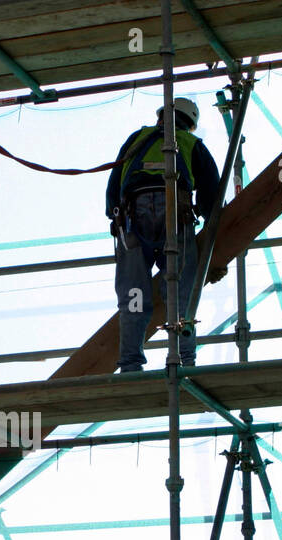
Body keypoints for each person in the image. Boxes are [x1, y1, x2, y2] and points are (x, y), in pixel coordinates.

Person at [106, 96, 224, 373]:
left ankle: (131, 365)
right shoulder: (192, 143)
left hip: (132, 218)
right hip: (174, 214)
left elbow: (114, 183)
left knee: (134, 296)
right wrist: (216, 245)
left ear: (161, 116)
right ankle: (185, 360)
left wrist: (115, 218)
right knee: (181, 294)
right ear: (190, 124)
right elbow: (212, 197)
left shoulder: (138, 139)